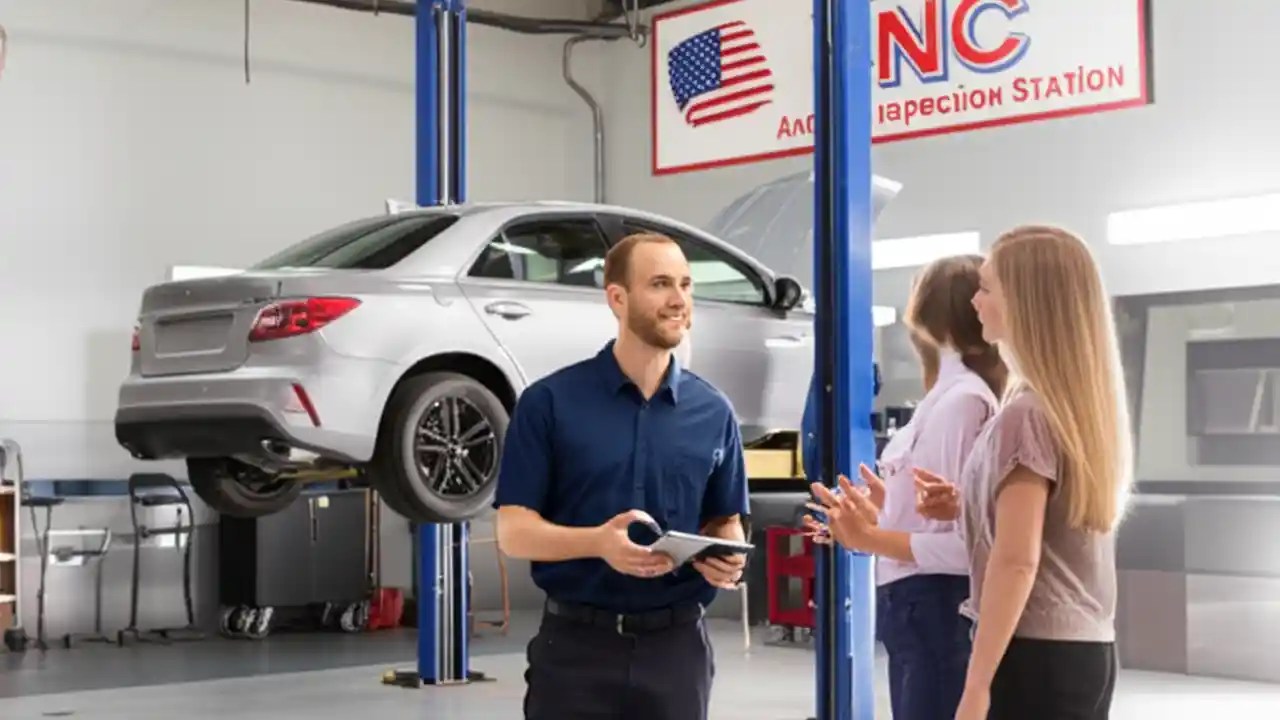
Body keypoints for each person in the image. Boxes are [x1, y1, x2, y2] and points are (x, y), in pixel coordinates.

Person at [493, 232, 751, 720]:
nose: (679, 300)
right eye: (659, 284)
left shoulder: (713, 411)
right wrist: (598, 543)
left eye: (685, 284)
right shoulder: (549, 404)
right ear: (617, 298)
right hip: (574, 652)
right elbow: (513, 532)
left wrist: (727, 556)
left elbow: (725, 519)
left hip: (677, 653)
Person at [906, 225, 1130, 719]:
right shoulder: (1075, 410)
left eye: (986, 289)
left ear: (1025, 302)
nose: (976, 303)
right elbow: (1047, 527)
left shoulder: (1024, 416)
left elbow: (1017, 562)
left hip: (1033, 653)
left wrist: (977, 685)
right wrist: (968, 501)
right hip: (1086, 650)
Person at [802, 255, 1007, 720]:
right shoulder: (945, 399)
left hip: (936, 605)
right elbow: (939, 514)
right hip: (915, 608)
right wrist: (876, 513)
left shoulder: (963, 402)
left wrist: (871, 538)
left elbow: (964, 546)